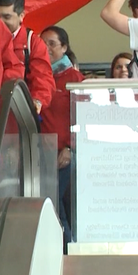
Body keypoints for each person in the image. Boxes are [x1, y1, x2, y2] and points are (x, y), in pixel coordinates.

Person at [38, 26, 84, 241]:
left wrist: (70, 148)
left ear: (64, 47)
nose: (46, 48)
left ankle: (67, 254)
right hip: (44, 153)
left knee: (60, 209)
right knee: (53, 209)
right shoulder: (39, 77)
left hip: (65, 155)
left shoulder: (74, 78)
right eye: (42, 43)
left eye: (52, 44)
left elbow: (82, 119)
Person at [0, 0, 56, 113]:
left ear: (21, 16)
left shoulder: (33, 43)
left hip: (20, 114)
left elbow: (43, 79)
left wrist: (37, 101)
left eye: (7, 17)